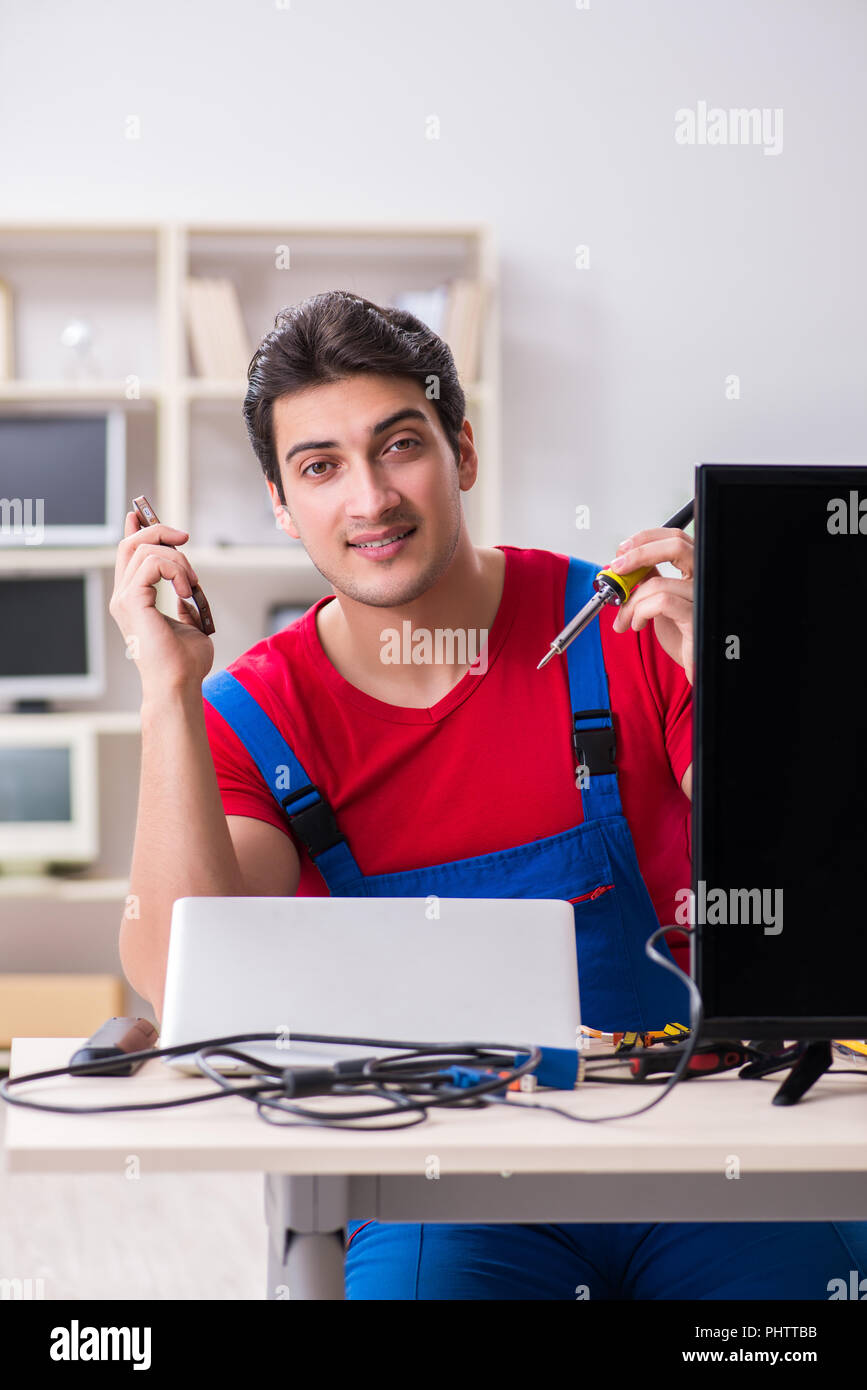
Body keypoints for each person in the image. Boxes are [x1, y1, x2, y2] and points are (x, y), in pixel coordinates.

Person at [111, 289, 867, 1300]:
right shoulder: (255, 717)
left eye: (400, 444)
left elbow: (819, 894)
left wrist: (743, 679)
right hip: (439, 1180)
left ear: (462, 452)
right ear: (281, 505)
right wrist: (168, 693)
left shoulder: (629, 631)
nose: (371, 498)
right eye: (321, 466)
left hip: (708, 1146)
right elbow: (174, 972)